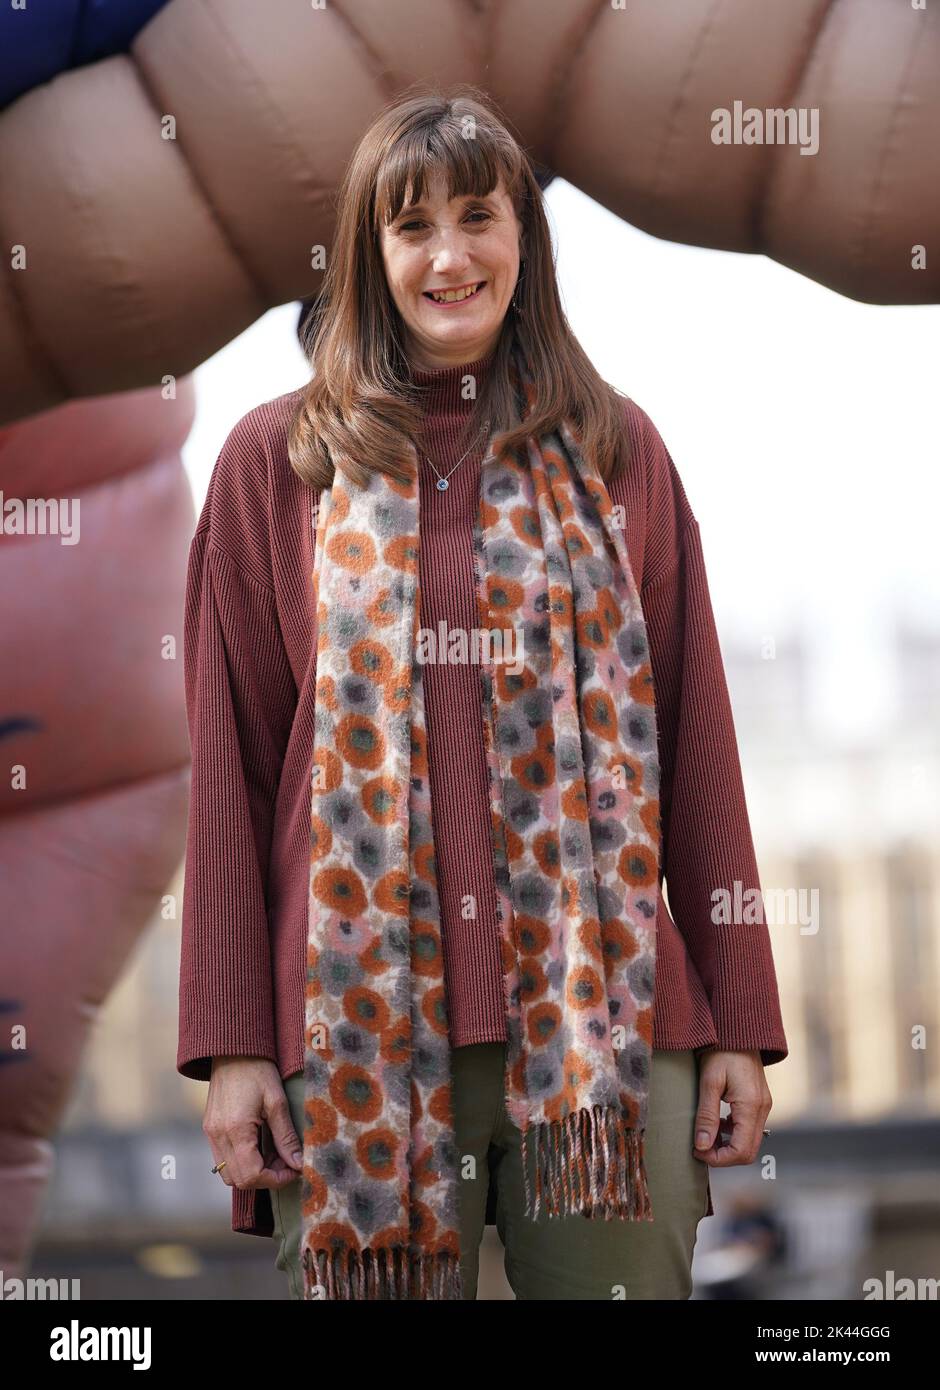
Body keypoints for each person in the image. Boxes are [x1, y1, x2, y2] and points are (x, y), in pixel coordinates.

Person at [177, 84, 788, 1301]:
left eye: (477, 217)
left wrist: (733, 1019)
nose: (450, 256)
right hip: (352, 1044)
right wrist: (235, 1047)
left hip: (608, 1043)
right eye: (413, 229)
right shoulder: (276, 464)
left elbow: (698, 743)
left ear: (524, 242)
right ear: (371, 253)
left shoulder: (618, 450)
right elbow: (231, 773)